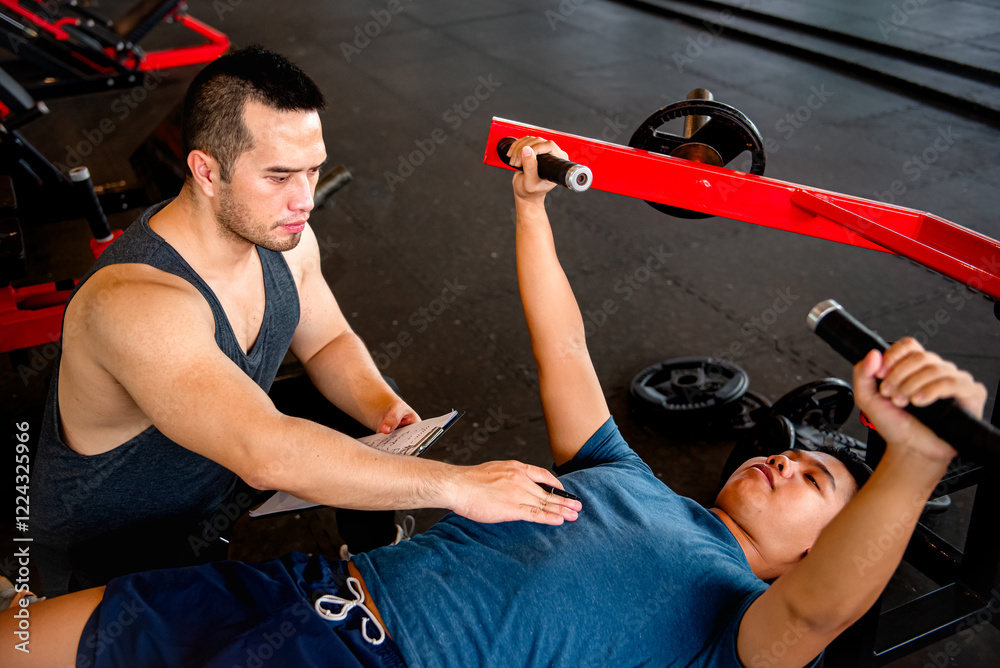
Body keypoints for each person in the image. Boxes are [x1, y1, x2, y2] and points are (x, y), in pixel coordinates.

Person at [3, 138, 986, 668]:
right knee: (22, 634)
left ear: (825, 543)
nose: (779, 457)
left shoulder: (736, 629)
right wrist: (531, 210)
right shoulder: (624, 475)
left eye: (812, 478)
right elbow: (562, 344)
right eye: (791, 451)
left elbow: (817, 617)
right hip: (306, 589)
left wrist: (913, 458)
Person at [30, 48, 579, 598]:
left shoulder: (281, 236)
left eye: (313, 168)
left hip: (209, 493)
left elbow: (329, 342)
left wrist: (381, 406)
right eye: (279, 176)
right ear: (205, 171)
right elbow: (267, 453)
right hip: (105, 556)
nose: (306, 199)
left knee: (336, 417)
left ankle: (372, 553)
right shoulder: (137, 303)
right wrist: (459, 486)